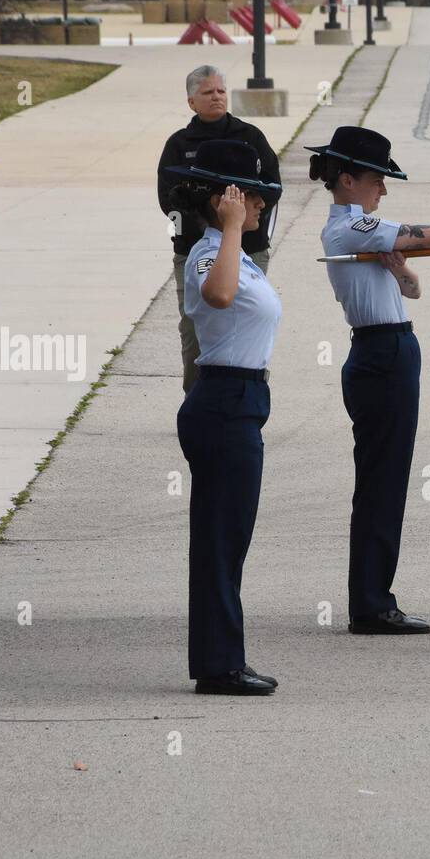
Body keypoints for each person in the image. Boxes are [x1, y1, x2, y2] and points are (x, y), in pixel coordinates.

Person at [308, 126, 430, 636]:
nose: (383, 190)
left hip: (394, 345)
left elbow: (412, 289)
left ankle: (374, 596)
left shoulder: (366, 232)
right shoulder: (350, 229)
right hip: (381, 352)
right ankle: (371, 603)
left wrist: (402, 271)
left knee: (387, 480)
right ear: (347, 179)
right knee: (381, 483)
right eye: (377, 180)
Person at [163, 140, 283, 696]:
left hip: (243, 401)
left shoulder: (235, 251)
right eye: (252, 197)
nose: (260, 207)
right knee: (218, 538)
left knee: (230, 538)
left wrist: (238, 231)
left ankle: (225, 656)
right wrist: (232, 227)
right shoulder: (212, 252)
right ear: (225, 199)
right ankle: (218, 665)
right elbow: (218, 295)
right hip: (222, 401)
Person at [157, 66, 281, 395]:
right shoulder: (178, 145)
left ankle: (246, 392)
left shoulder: (249, 137)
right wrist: (206, 224)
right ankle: (197, 398)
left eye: (221, 91)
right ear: (191, 101)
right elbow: (167, 199)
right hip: (194, 251)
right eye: (208, 92)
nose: (217, 97)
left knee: (249, 320)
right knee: (195, 329)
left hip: (249, 249)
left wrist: (240, 220)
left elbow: (272, 187)